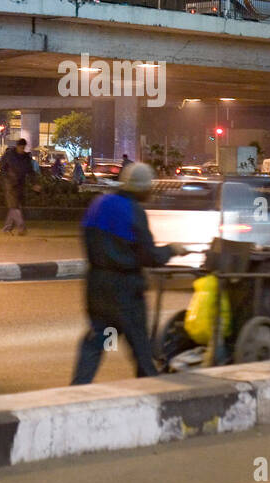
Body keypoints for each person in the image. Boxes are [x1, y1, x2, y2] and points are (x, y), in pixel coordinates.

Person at [71, 162, 186, 384]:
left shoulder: (99, 203)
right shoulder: (134, 211)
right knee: (140, 346)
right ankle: (152, 390)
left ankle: (77, 387)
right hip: (125, 289)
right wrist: (172, 249)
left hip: (96, 285)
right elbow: (150, 256)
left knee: (98, 338)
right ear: (142, 188)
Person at [0, 138, 40, 234]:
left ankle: (7, 228)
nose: (22, 150)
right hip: (9, 183)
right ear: (17, 146)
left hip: (20, 184)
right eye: (21, 147)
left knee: (15, 207)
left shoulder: (26, 157)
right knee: (14, 206)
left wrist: (35, 183)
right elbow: (1, 170)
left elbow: (31, 172)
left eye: (23, 148)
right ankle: (21, 227)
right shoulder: (9, 155)